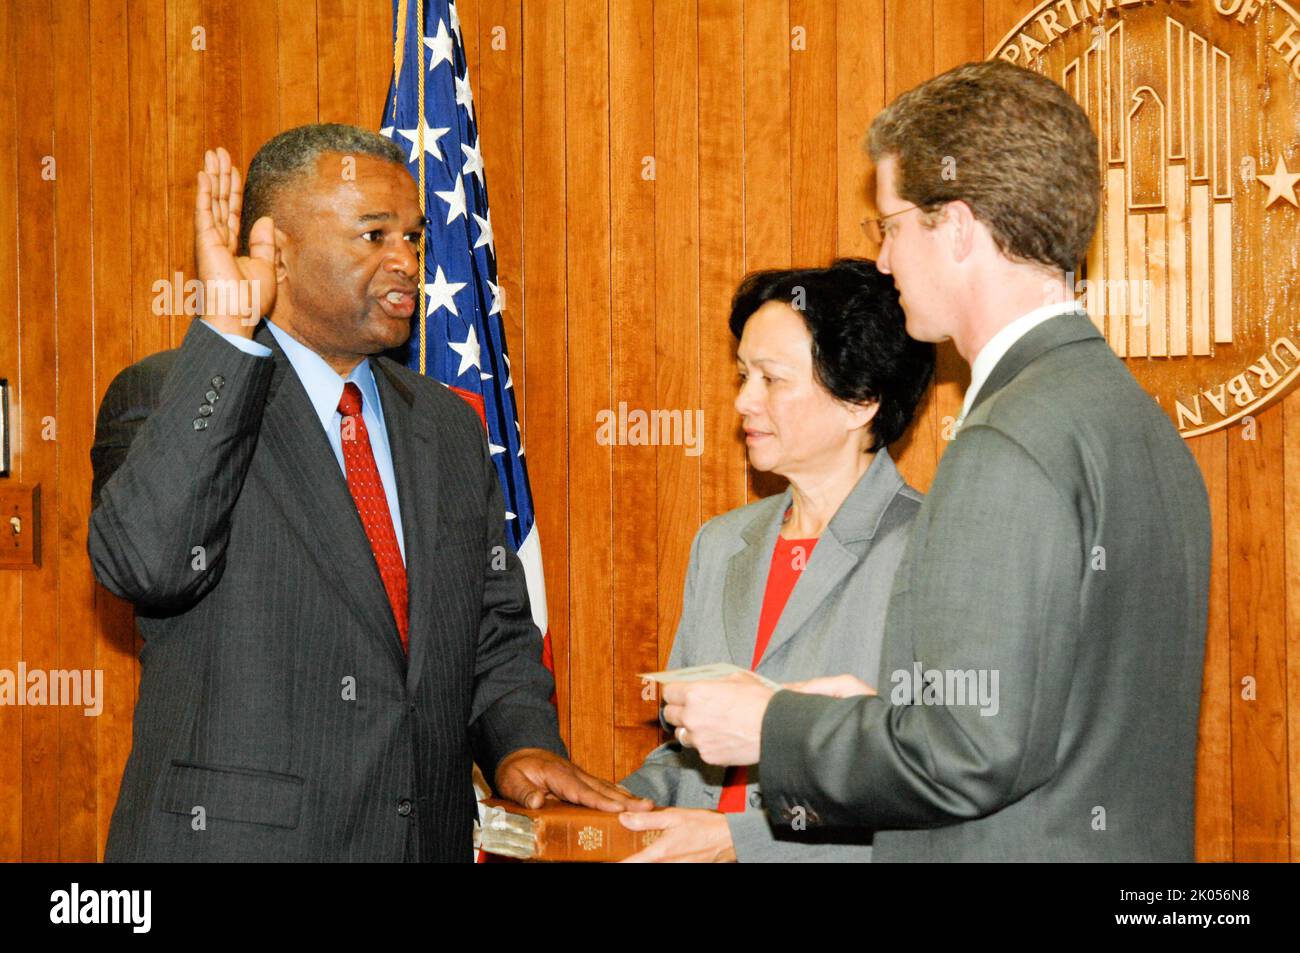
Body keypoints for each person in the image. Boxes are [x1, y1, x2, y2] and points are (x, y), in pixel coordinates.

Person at [659, 60, 1212, 861]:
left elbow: (968, 755)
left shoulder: (1007, 440)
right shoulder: (1136, 422)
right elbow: (1031, 722)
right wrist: (871, 712)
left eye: (889, 226)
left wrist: (771, 724)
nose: (882, 261)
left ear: (954, 227)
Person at [88, 124, 649, 862]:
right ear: (276, 247)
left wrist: (520, 741)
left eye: (413, 238)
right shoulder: (175, 394)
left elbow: (492, 625)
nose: (405, 263)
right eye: (374, 234)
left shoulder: (445, 423)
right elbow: (146, 564)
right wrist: (226, 329)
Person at [617, 260, 934, 862]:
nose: (743, 401)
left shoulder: (929, 549)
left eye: (771, 379)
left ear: (860, 401)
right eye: (742, 375)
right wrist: (622, 805)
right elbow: (685, 751)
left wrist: (741, 843)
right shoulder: (720, 544)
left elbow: (921, 784)